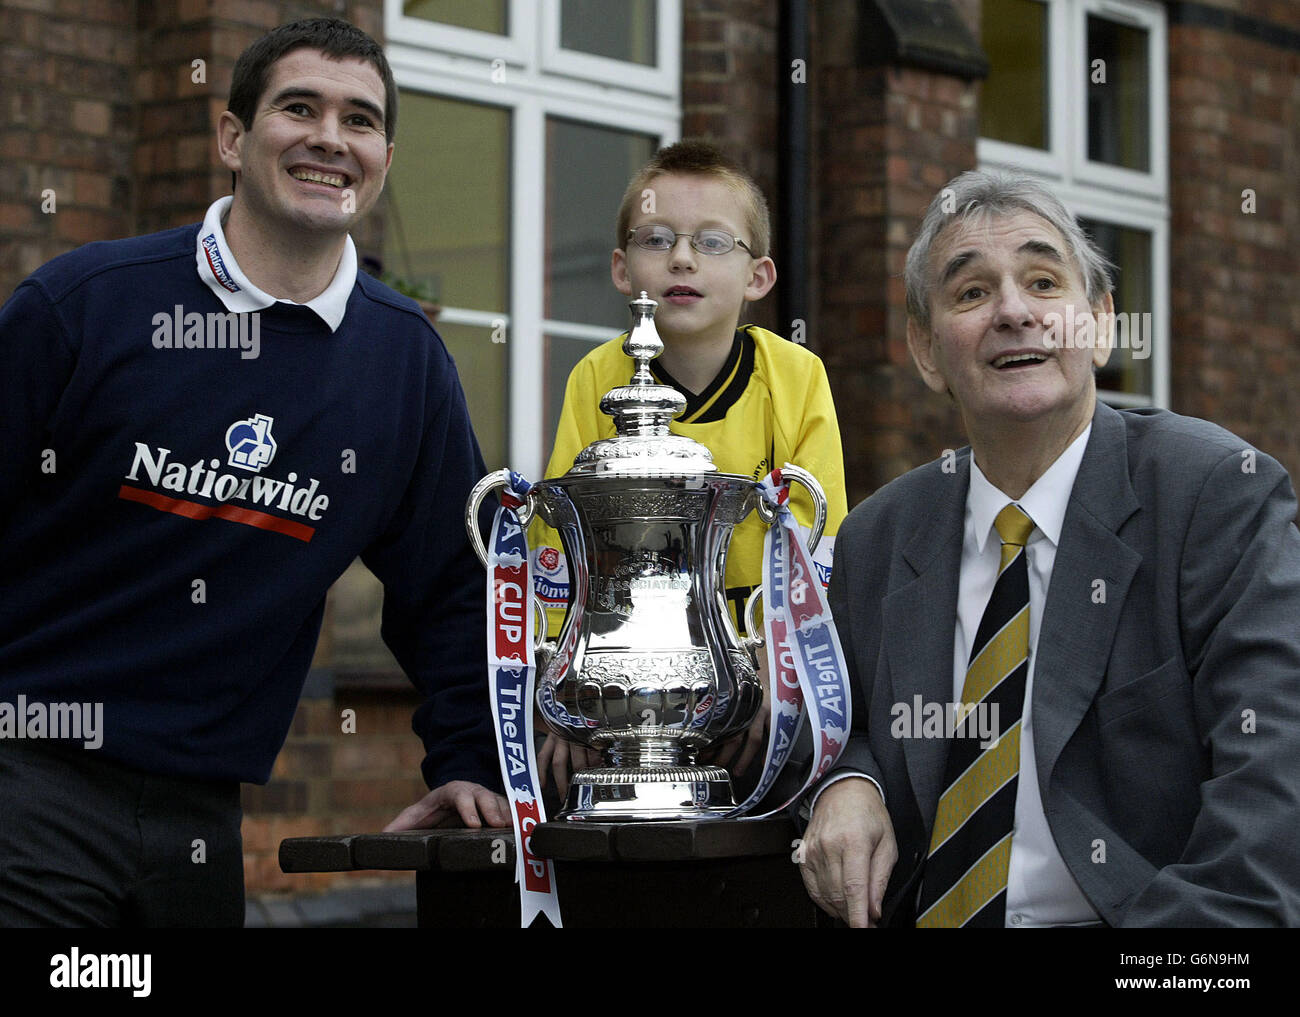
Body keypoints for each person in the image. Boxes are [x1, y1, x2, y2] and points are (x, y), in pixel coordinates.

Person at [0, 18, 508, 928]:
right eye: (299, 107)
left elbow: (453, 587)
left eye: (359, 120)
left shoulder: (403, 364)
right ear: (234, 138)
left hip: (201, 816)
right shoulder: (87, 305)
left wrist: (469, 757)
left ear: (383, 157)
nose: (329, 138)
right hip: (27, 780)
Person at [799, 169, 1300, 928]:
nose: (1012, 311)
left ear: (1099, 323)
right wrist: (850, 784)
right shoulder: (879, 537)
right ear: (927, 349)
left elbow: (1271, 802)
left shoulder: (1214, 497)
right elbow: (843, 723)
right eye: (971, 292)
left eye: (1042, 281)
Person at [531, 141, 848, 791]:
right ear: (621, 269)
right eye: (657, 239)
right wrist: (562, 695)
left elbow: (823, 548)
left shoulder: (794, 377)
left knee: (798, 759)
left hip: (756, 674)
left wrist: (779, 666)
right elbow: (556, 549)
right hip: (630, 674)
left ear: (758, 276)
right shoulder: (596, 376)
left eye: (711, 242)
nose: (681, 257)